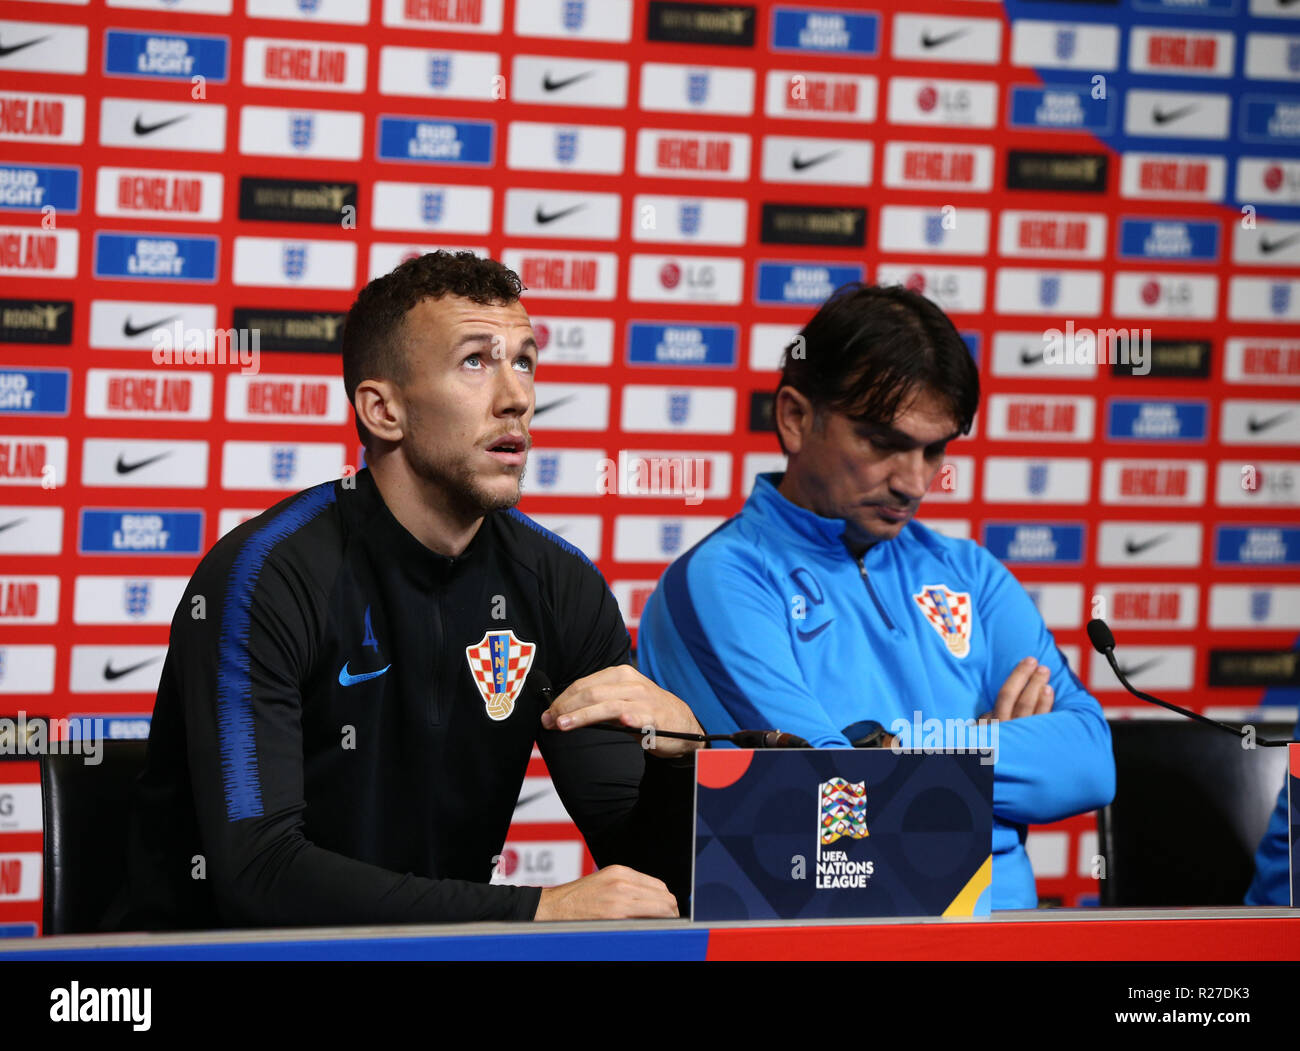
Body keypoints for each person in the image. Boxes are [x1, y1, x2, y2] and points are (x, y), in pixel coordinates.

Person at [107, 251, 704, 930]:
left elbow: (654, 888)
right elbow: (257, 873)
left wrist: (677, 762)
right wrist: (533, 907)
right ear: (382, 409)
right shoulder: (266, 577)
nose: (516, 397)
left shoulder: (560, 586)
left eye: (526, 361)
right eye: (475, 361)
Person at [636, 282, 1116, 911]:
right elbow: (830, 799)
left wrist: (900, 751)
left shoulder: (971, 572)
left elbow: (1089, 762)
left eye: (934, 450)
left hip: (1011, 947)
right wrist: (986, 748)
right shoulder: (722, 582)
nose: (914, 482)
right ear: (795, 418)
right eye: (883, 443)